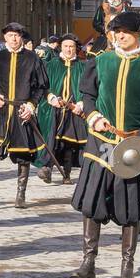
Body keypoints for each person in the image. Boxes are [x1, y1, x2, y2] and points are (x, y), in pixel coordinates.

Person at [70, 10, 140, 278]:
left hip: (131, 148)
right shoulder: (100, 62)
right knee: (91, 203)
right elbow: (87, 95)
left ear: (137, 35)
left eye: (125, 32)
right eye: (117, 32)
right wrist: (92, 116)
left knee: (130, 208)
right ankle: (88, 263)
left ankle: (128, 265)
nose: (120, 36)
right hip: (100, 144)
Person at [0, 22, 48, 208]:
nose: (14, 39)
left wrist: (31, 105)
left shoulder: (32, 58)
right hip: (0, 110)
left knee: (23, 153)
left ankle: (20, 195)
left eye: (17, 35)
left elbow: (41, 86)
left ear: (22, 37)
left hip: (22, 111)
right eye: (10, 35)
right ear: (5, 37)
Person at [37, 32, 87, 183]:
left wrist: (81, 103)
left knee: (69, 143)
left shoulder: (83, 66)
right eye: (65, 46)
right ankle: (47, 167)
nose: (68, 49)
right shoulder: (51, 65)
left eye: (71, 46)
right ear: (61, 47)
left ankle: (67, 173)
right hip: (54, 110)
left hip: (74, 110)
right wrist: (51, 97)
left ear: (76, 48)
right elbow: (42, 87)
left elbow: (90, 89)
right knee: (51, 139)